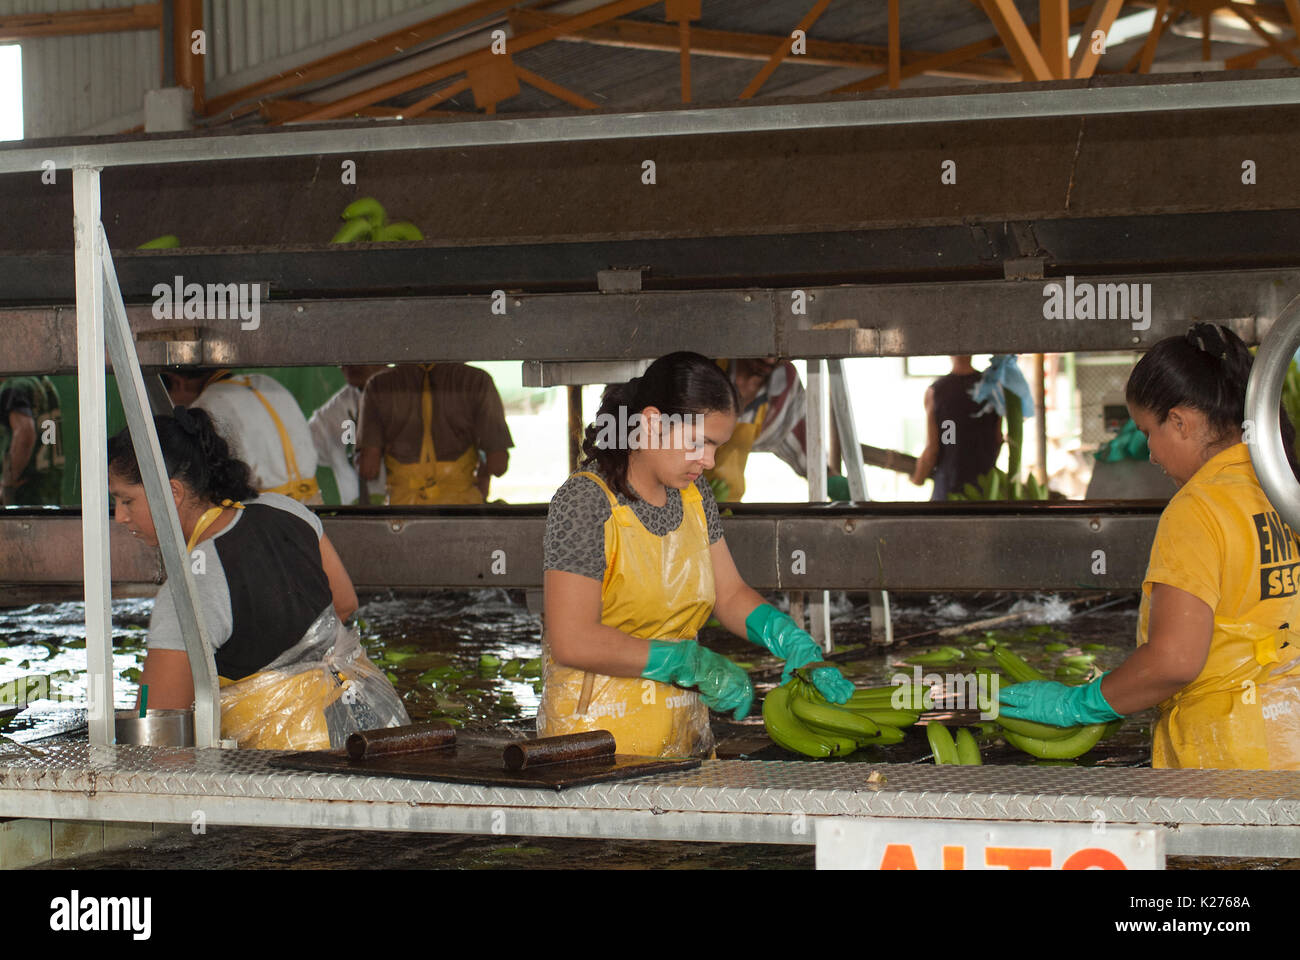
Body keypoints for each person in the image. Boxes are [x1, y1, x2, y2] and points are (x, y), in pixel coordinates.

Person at [999, 323, 1300, 769]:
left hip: (1226, 761)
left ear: (1180, 421)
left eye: (1147, 431)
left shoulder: (1198, 507)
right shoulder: (1280, 488)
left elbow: (1174, 661)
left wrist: (1080, 703)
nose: (1151, 452)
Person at [541, 351, 854, 758]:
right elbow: (573, 639)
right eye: (698, 442)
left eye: (716, 446)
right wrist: (689, 663)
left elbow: (728, 595)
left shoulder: (693, 495)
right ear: (652, 423)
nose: (708, 461)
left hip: (680, 742)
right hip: (591, 749)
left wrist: (791, 641)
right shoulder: (585, 501)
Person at [108, 408, 407, 749]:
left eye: (126, 499)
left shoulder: (191, 586)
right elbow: (344, 603)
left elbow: (156, 730)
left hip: (292, 762)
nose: (120, 517)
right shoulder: (286, 510)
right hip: (373, 726)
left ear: (172, 492)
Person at [357, 362, 512, 505]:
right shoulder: (477, 380)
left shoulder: (378, 384)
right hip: (462, 509)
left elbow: (368, 468)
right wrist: (481, 471)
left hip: (404, 511)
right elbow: (498, 465)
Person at [164, 368, 322, 503]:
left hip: (267, 511)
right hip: (312, 501)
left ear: (177, 382)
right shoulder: (265, 382)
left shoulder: (207, 405)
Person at [704, 357, 809, 503]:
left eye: (778, 354)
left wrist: (834, 483)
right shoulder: (707, 369)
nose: (771, 360)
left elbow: (808, 453)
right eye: (766, 350)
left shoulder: (784, 386)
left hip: (728, 506)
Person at [910, 356, 1003, 500]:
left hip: (949, 491)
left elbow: (932, 450)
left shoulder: (937, 391)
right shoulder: (993, 388)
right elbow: (998, 439)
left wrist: (918, 478)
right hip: (986, 490)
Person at [309, 364, 388, 505]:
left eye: (361, 349)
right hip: (357, 521)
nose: (349, 362)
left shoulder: (413, 393)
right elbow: (299, 450)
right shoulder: (332, 413)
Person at [0, 375, 64, 506]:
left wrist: (6, 484)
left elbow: (25, 433)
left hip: (23, 498)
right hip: (49, 493)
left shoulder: (14, 387)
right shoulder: (44, 382)